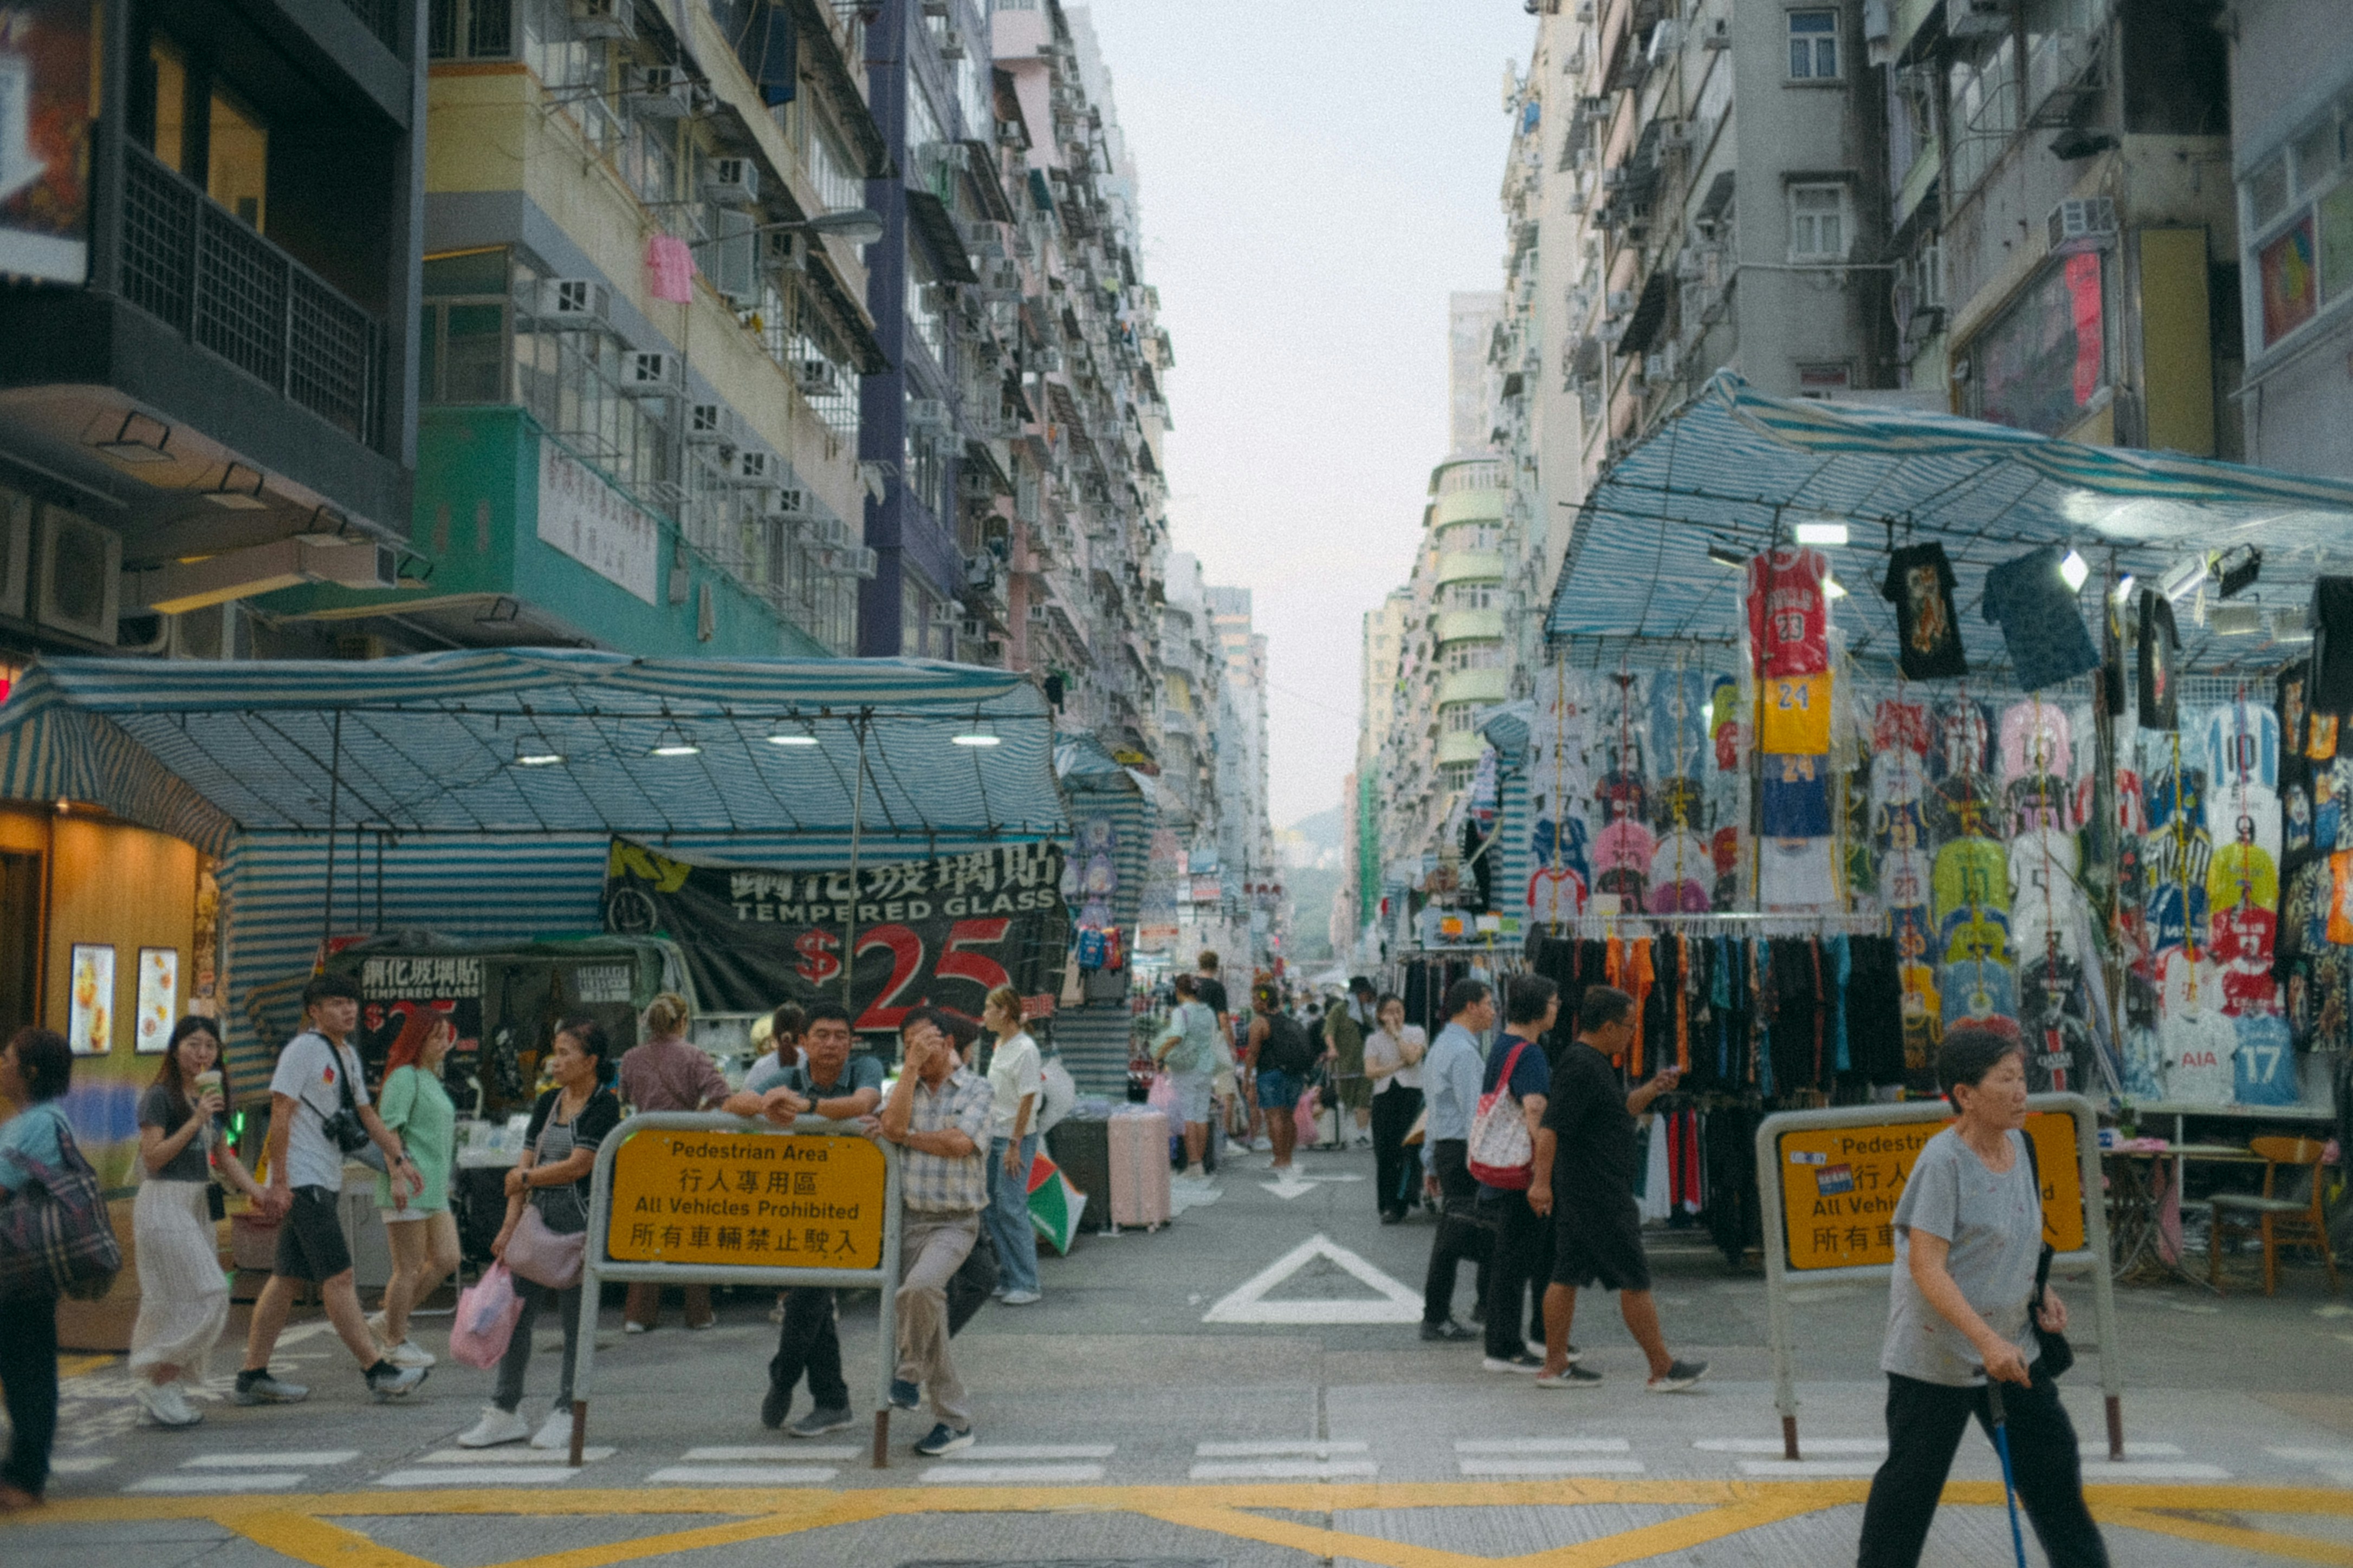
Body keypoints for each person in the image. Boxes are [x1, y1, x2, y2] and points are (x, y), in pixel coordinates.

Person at [1856, 1026, 2108, 1567]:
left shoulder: (2022, 1145)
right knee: (1908, 1495)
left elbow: (2014, 1234)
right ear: (1964, 1094)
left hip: (2013, 1349)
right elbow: (1926, 1266)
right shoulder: (1942, 1162)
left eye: (2022, 1079)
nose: (2020, 1092)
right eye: (2005, 1081)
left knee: (2053, 1473)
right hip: (1936, 1355)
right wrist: (1984, 1341)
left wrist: (2040, 1291)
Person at [237, 973, 427, 1407]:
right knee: (339, 1276)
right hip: (303, 1180)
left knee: (286, 1279)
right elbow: (280, 1114)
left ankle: (253, 1374)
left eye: (351, 1002)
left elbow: (368, 1117)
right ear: (314, 1010)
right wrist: (280, 1181)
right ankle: (377, 1369)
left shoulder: (347, 1055)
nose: (348, 1009)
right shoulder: (303, 1050)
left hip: (323, 1176)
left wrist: (399, 1159)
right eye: (337, 1003)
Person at [1534, 985, 1707, 1393]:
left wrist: (1652, 1088)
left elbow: (1616, 1111)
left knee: (1566, 1273)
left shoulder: (1592, 1062)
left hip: (1587, 1187)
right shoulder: (1581, 1065)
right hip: (1597, 1191)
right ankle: (1661, 1366)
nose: (1633, 1034)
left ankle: (1555, 1363)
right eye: (1629, 1026)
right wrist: (1540, 1183)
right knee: (1633, 1276)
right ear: (1608, 1025)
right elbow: (1550, 1128)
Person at [724, 1000, 886, 1436]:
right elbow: (732, 1102)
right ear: (802, 1042)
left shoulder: (865, 1067)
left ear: (852, 1042)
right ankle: (832, 1401)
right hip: (801, 1206)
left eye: (840, 1036)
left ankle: (783, 1375)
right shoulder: (790, 1077)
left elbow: (863, 1102)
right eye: (821, 1035)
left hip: (853, 1207)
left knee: (807, 1297)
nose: (831, 1044)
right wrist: (767, 1102)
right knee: (813, 1299)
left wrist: (804, 1107)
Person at [459, 1017, 623, 1449]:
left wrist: (527, 1179)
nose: (555, 1060)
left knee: (576, 1324)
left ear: (591, 1061)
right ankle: (504, 1410)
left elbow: (579, 1164)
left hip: (579, 1226)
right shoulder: (547, 1102)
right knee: (515, 1317)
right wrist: (509, 1227)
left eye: (566, 1052)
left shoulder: (605, 1106)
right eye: (555, 1050)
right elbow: (521, 1167)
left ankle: (567, 1410)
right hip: (535, 1224)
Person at [129, 1017, 274, 1428]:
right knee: (209, 1292)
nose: (203, 1053)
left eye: (211, 1046)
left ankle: (164, 1385)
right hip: (164, 1202)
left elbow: (224, 1157)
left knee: (180, 1297)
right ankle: (157, 1376)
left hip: (196, 1204)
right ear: (175, 1049)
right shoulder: (161, 1097)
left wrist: (259, 1193)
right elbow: (153, 1157)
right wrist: (195, 1120)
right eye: (194, 1044)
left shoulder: (211, 1095)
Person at [874, 1008, 994, 1456]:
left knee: (919, 1289)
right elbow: (891, 1124)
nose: (918, 1052)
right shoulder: (904, 1086)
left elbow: (959, 1143)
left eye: (924, 1043)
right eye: (908, 1045)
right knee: (931, 1321)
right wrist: (908, 1070)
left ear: (947, 1043)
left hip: (955, 1220)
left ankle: (907, 1373)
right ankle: (954, 1422)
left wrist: (907, 1137)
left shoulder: (979, 1088)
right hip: (908, 1220)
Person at [618, 991, 728, 1333]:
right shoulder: (695, 1056)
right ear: (682, 1022)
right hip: (687, 1150)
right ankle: (698, 1314)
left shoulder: (631, 1058)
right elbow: (724, 1095)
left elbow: (624, 1097)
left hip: (647, 1149)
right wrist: (698, 1116)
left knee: (648, 1227)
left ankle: (639, 1315)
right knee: (691, 1229)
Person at [0, 1027, 76, 1507]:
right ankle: (24, 1471)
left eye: (6, 1056)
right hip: (23, 1263)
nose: (0, 1062)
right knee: (27, 1363)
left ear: (28, 1071)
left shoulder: (36, 1124)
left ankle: (25, 1477)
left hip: (18, 1265)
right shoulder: (37, 1119)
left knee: (27, 1366)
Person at [368, 1010, 462, 1371]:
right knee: (407, 1268)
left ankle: (392, 1318)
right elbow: (389, 1130)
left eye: (446, 1036)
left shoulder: (429, 1077)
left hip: (433, 1185)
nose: (444, 1043)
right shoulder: (404, 1077)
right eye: (435, 1036)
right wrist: (395, 1176)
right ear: (418, 1039)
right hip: (407, 1182)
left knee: (447, 1258)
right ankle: (394, 1340)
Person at [1477, 976, 1558, 1374]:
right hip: (1521, 1168)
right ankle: (1504, 1346)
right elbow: (1535, 1109)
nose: (1558, 1008)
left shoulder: (1501, 1046)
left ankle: (1513, 1340)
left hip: (1501, 1165)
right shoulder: (1528, 1053)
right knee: (1515, 1259)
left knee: (1511, 1256)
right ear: (1539, 1007)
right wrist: (1542, 1172)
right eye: (1554, 1002)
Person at [1419, 978, 1494, 1342]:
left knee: (1459, 1230)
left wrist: (1430, 1161)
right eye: (1489, 1003)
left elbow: (1433, 1111)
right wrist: (1487, 1161)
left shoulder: (1442, 1045)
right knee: (1457, 1234)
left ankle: (1479, 1306)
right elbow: (1473, 1116)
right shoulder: (1463, 1052)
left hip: (1449, 1149)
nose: (1493, 1011)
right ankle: (1437, 1315)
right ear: (1471, 1006)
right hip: (1464, 1149)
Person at [977, 986, 1045, 1306]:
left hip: (1015, 1138)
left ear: (1004, 1011)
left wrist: (1015, 1144)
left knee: (1011, 1206)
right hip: (996, 1134)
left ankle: (1027, 1282)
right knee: (991, 1208)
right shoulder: (1000, 1045)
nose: (984, 1015)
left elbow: (1028, 1098)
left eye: (989, 1008)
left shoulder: (1026, 1049)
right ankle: (1008, 1276)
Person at [1363, 992, 1425, 1223]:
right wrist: (1397, 1065)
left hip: (1410, 1096)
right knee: (1385, 1151)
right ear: (1380, 1015)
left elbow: (1412, 1058)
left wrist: (1397, 1036)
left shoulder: (1415, 1033)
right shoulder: (1373, 1040)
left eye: (1399, 1011)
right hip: (1384, 1098)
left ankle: (1404, 1199)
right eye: (1389, 1012)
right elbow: (1371, 1071)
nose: (1395, 1016)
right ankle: (1388, 1204)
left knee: (1408, 1148)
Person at [1152, 974, 1220, 1178]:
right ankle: (1198, 1164)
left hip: (1187, 1068)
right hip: (1206, 1066)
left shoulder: (1181, 1012)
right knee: (1201, 1114)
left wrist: (1160, 1054)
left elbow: (1177, 1037)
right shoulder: (1209, 1012)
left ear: (1178, 991)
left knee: (1188, 1114)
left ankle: (1194, 1163)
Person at [1248, 984, 1317, 1173]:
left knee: (1274, 1117)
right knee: (1288, 1117)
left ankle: (1279, 1160)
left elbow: (1253, 1054)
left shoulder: (1260, 1023)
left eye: (1255, 999)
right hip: (1295, 1074)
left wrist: (1247, 1078)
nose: (1253, 1003)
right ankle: (1287, 1158)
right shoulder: (1290, 1021)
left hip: (1271, 1075)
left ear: (1264, 1001)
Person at [1325, 978, 1377, 1148]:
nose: (1366, 997)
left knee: (1364, 1099)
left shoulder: (1370, 1012)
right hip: (1344, 1065)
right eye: (1364, 993)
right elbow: (1329, 1032)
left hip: (1366, 1064)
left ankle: (1361, 1135)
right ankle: (1341, 1134)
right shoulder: (1339, 1010)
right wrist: (1332, 1049)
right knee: (1343, 1100)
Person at [740, 1003, 807, 1098]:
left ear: (774, 1034)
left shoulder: (761, 1066)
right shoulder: (817, 1061)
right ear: (806, 1032)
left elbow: (744, 1101)